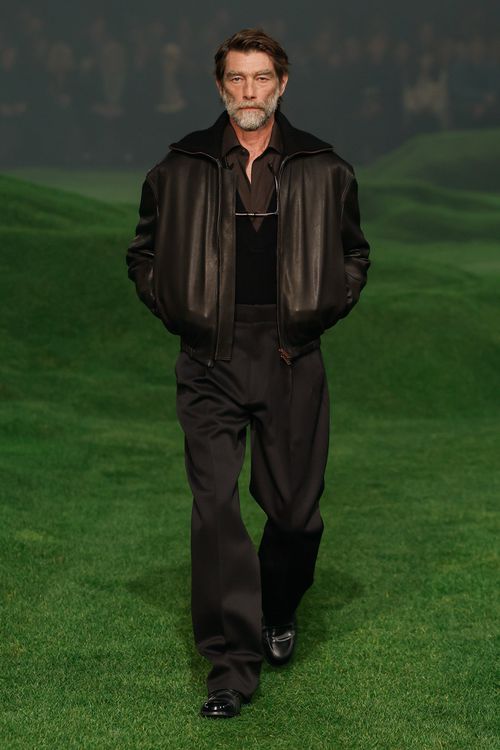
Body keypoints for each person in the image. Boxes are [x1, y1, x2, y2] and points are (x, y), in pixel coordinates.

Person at [126, 28, 371, 719]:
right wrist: (177, 309)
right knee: (215, 509)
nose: (249, 91)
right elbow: (143, 252)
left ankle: (277, 605)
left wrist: (323, 308)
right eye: (236, 78)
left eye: (261, 78)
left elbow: (355, 253)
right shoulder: (180, 167)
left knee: (294, 513)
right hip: (210, 359)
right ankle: (231, 668)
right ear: (220, 86)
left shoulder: (325, 168)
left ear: (282, 84)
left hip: (291, 355)